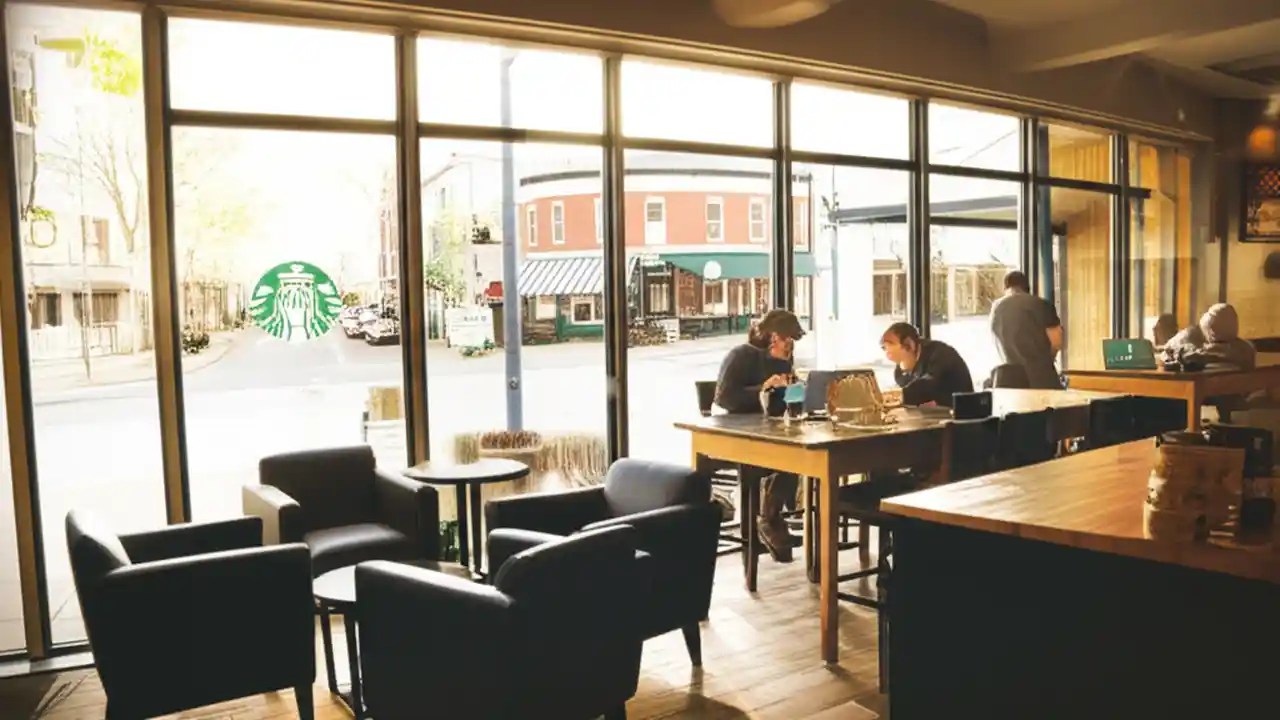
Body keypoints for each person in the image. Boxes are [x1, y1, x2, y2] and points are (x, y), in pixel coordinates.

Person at [714, 309, 803, 563]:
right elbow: (724, 398)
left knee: (797, 452)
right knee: (785, 456)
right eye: (788, 339)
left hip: (766, 432)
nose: (790, 345)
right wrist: (763, 388)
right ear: (773, 336)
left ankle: (770, 517)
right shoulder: (740, 355)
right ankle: (770, 519)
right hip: (733, 434)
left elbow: (779, 407)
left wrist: (798, 393)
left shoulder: (783, 362)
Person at [989, 270, 1063, 389]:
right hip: (1041, 380)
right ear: (1027, 287)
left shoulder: (995, 309)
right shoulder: (1040, 304)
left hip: (1007, 384)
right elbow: (1057, 341)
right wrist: (1048, 359)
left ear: (1006, 287)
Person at [880, 322, 974, 407]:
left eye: (901, 361)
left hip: (961, 416)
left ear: (910, 344)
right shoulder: (901, 373)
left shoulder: (940, 355)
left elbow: (928, 386)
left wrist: (899, 395)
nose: (901, 368)